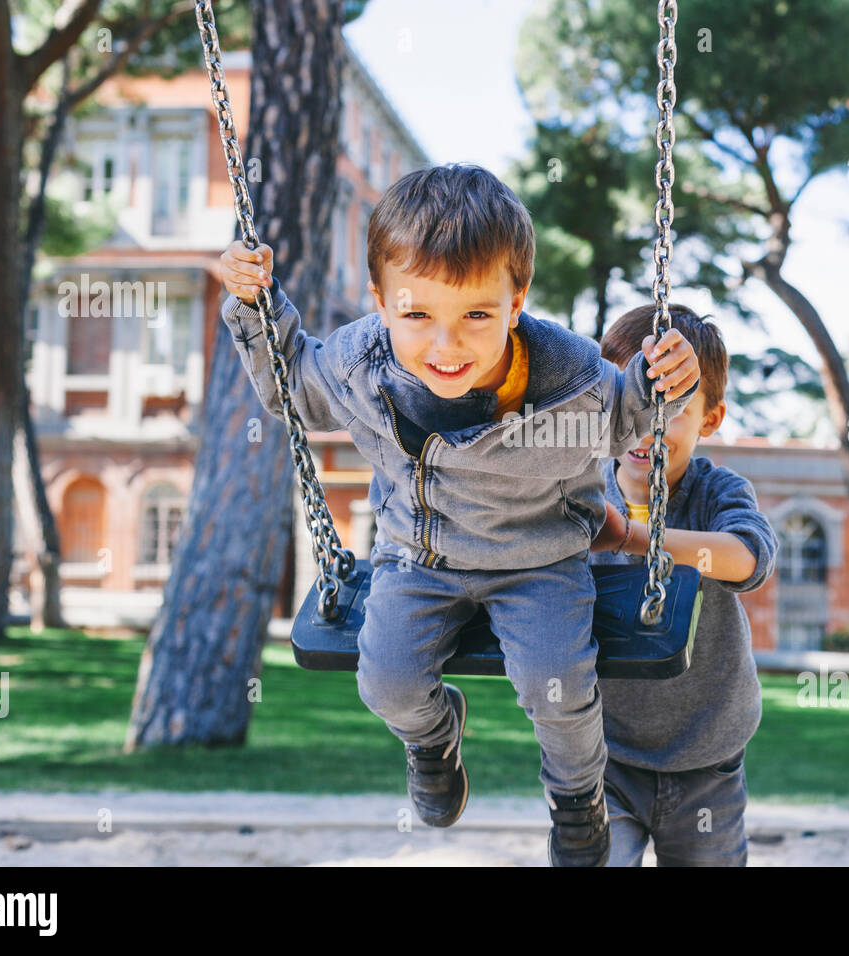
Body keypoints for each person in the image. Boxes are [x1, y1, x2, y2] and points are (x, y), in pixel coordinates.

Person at [217, 163, 700, 866]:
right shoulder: (359, 368)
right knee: (385, 680)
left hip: (539, 562)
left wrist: (663, 383)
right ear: (380, 302)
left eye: (477, 314)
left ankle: (577, 797)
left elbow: (626, 417)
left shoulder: (571, 384)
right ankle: (433, 740)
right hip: (418, 558)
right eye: (417, 315)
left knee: (555, 685)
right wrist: (256, 307)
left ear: (517, 301)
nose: (446, 346)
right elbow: (294, 385)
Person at [590, 303, 778, 866]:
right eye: (629, 403)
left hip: (707, 757)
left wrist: (633, 537)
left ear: (710, 419)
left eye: (669, 409)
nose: (645, 427)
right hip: (602, 754)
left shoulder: (717, 492)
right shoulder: (578, 490)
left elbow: (748, 558)